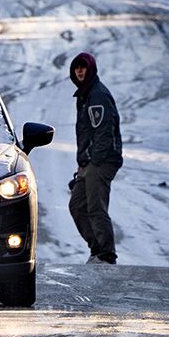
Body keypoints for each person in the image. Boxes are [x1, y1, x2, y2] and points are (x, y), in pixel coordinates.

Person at [67, 53, 123, 264]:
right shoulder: (85, 95)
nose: (80, 71)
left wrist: (94, 161)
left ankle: (106, 254)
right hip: (89, 161)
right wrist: (83, 162)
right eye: (76, 68)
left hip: (102, 160)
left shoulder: (97, 95)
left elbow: (103, 132)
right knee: (77, 205)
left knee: (96, 208)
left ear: (91, 69)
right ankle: (98, 249)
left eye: (83, 67)